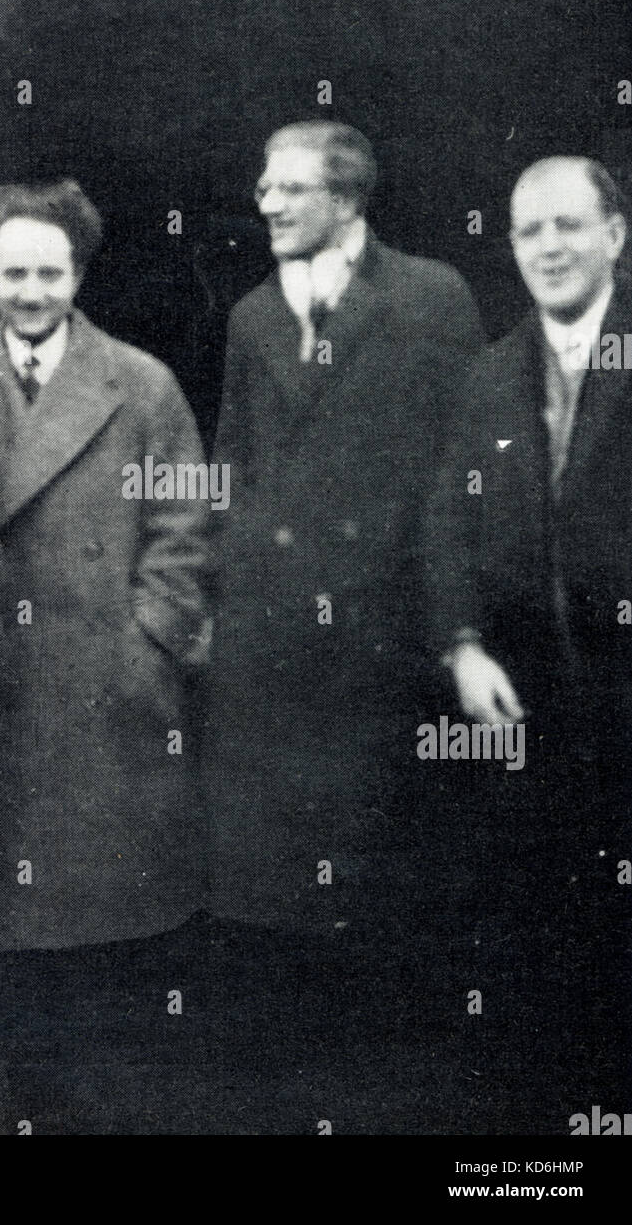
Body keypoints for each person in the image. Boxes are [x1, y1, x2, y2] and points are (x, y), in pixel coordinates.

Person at [202, 120, 481, 1130]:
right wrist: (216, 609)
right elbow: (231, 469)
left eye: (288, 188)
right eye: (263, 187)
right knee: (272, 874)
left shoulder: (431, 297)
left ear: (348, 197)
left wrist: (452, 628)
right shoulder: (246, 316)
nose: (266, 203)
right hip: (268, 638)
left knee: (378, 867)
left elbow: (459, 474)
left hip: (383, 634)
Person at [0, 180, 210, 1134]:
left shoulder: (141, 385)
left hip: (113, 700)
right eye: (12, 272)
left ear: (79, 274)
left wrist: (149, 639)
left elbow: (187, 523)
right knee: (19, 949)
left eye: (49, 272)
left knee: (119, 942)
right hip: (4, 700)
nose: (30, 290)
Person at [425, 156, 632, 1132]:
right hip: (527, 717)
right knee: (544, 947)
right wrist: (462, 646)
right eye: (526, 231)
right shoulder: (488, 375)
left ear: (614, 235)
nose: (546, 247)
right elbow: (443, 530)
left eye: (566, 225)